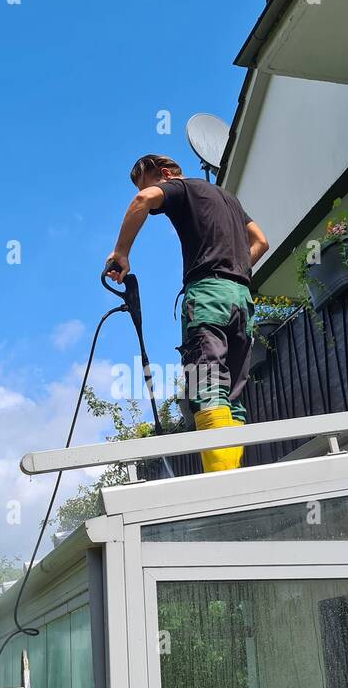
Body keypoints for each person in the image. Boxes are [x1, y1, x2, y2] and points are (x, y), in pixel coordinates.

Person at [105, 154, 269, 471]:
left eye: (151, 181)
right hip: (241, 299)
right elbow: (260, 241)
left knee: (207, 386)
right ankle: (233, 476)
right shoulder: (229, 199)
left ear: (165, 174)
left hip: (207, 297)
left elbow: (143, 199)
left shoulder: (181, 188)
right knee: (231, 396)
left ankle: (221, 483)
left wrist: (121, 253)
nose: (155, 211)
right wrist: (235, 269)